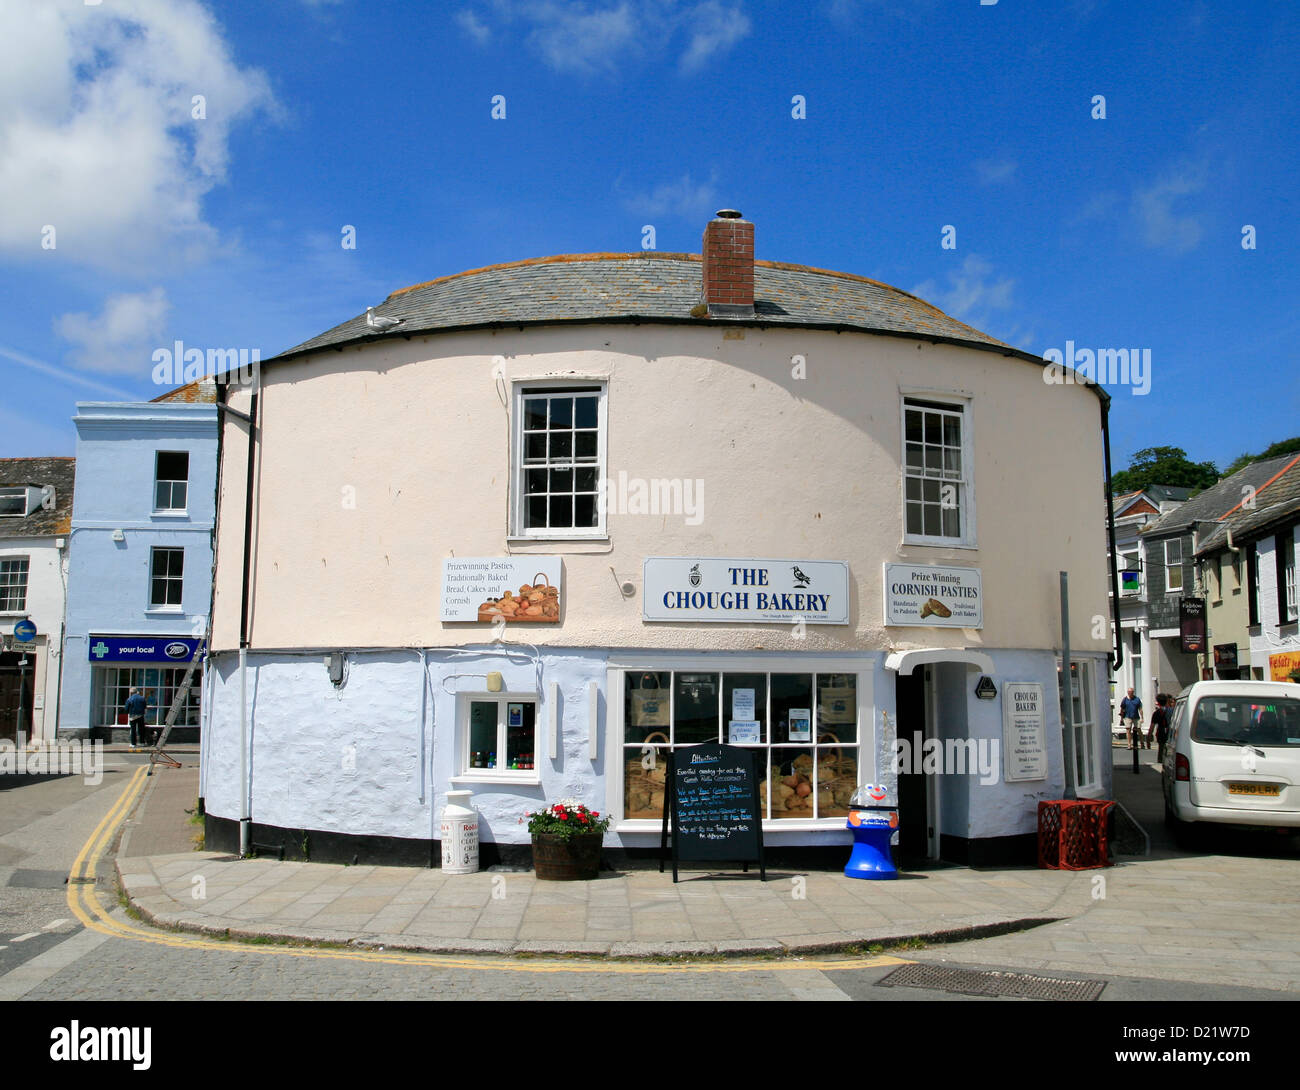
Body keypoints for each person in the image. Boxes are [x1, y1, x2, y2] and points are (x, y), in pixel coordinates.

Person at [1150, 693, 1170, 763]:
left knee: (1161, 747)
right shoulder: (1171, 711)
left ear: (1158, 702)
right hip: (1169, 731)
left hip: (1160, 731)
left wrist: (1149, 737)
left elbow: (1152, 726)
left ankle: (1160, 760)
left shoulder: (1156, 713)